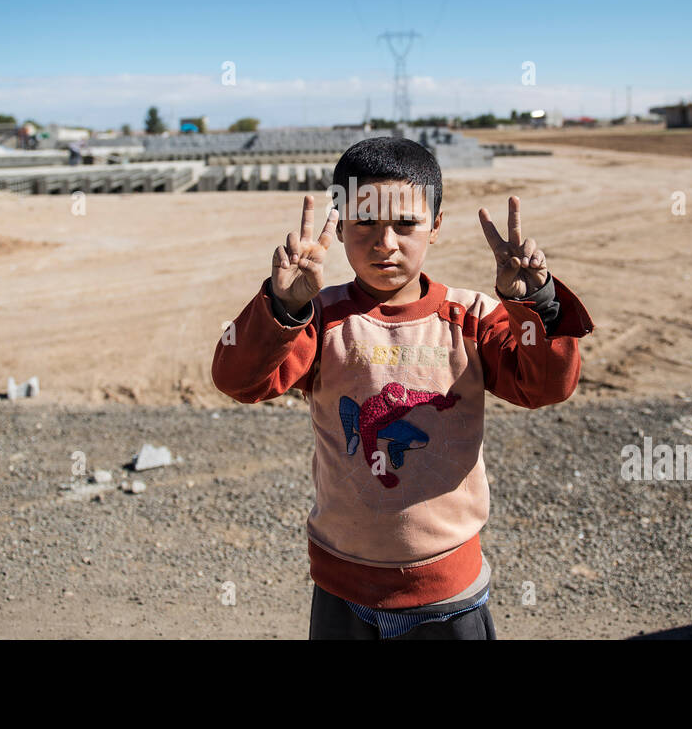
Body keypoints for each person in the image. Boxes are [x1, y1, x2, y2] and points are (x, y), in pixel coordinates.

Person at [211, 137, 594, 639]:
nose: (385, 242)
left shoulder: (472, 317)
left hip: (447, 592)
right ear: (341, 224)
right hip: (342, 583)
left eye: (406, 223)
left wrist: (539, 303)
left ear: (435, 226)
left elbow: (543, 386)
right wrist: (283, 307)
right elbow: (240, 381)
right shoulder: (320, 319)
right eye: (365, 223)